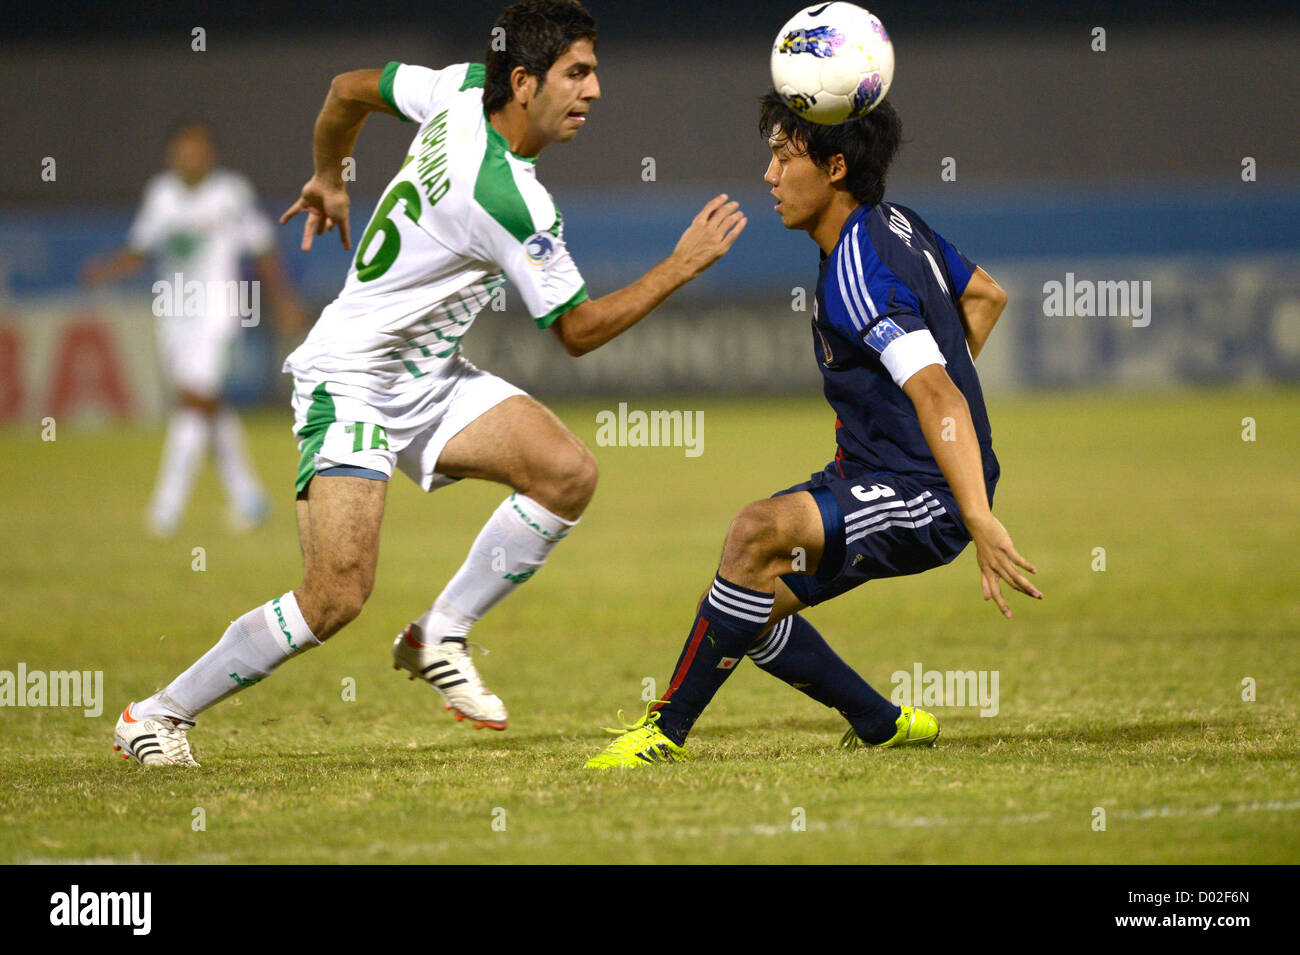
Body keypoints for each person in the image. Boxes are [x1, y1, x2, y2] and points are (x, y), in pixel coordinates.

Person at [112, 0, 746, 766]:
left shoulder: (461, 85)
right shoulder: (511, 200)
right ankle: (156, 714)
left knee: (566, 472)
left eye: (595, 71)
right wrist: (682, 263)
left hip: (425, 376)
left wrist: (327, 176)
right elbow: (577, 332)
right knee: (335, 596)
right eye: (578, 73)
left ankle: (437, 633)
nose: (595, 90)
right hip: (350, 380)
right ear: (523, 81)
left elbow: (347, 89)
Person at [586, 92, 1041, 769]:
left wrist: (974, 511)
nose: (768, 176)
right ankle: (881, 722)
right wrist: (913, 405)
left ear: (834, 167)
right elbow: (985, 296)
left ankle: (665, 732)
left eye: (780, 157)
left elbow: (937, 389)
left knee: (753, 532)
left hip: (927, 491)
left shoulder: (857, 270)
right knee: (747, 597)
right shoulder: (898, 224)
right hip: (881, 472)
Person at [82, 121, 306, 536]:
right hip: (174, 310)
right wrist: (104, 270)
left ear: (211, 154)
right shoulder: (160, 195)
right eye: (184, 149)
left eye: (198, 149)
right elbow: (141, 249)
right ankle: (249, 496)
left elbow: (264, 249)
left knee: (192, 400)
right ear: (172, 154)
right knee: (206, 404)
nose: (191, 156)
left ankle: (166, 508)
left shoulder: (230, 194)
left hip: (217, 310)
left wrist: (283, 302)